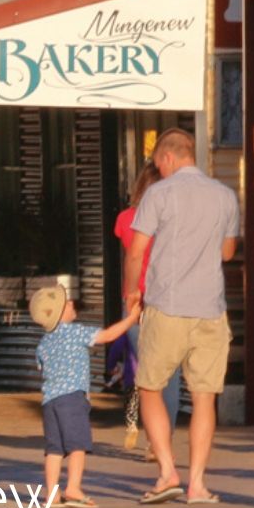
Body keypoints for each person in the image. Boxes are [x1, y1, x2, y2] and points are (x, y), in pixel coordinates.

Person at [125, 127, 241, 505]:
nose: (158, 171)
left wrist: (131, 292)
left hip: (167, 306)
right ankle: (198, 485)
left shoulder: (159, 194)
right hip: (211, 310)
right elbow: (227, 253)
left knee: (150, 386)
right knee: (204, 397)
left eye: (158, 164)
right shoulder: (224, 195)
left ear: (168, 158)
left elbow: (136, 251)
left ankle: (167, 473)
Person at [30, 283, 136, 508]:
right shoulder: (75, 332)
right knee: (77, 445)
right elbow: (108, 336)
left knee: (54, 449)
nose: (72, 303)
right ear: (59, 313)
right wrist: (131, 319)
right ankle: (73, 488)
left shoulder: (43, 342)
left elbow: (41, 367)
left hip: (49, 402)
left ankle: (51, 494)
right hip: (72, 398)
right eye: (67, 303)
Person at [110, 161, 181, 433]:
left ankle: (154, 436)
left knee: (149, 376)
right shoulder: (176, 220)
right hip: (171, 302)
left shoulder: (125, 219)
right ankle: (163, 439)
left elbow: (131, 255)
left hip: (135, 302)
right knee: (170, 376)